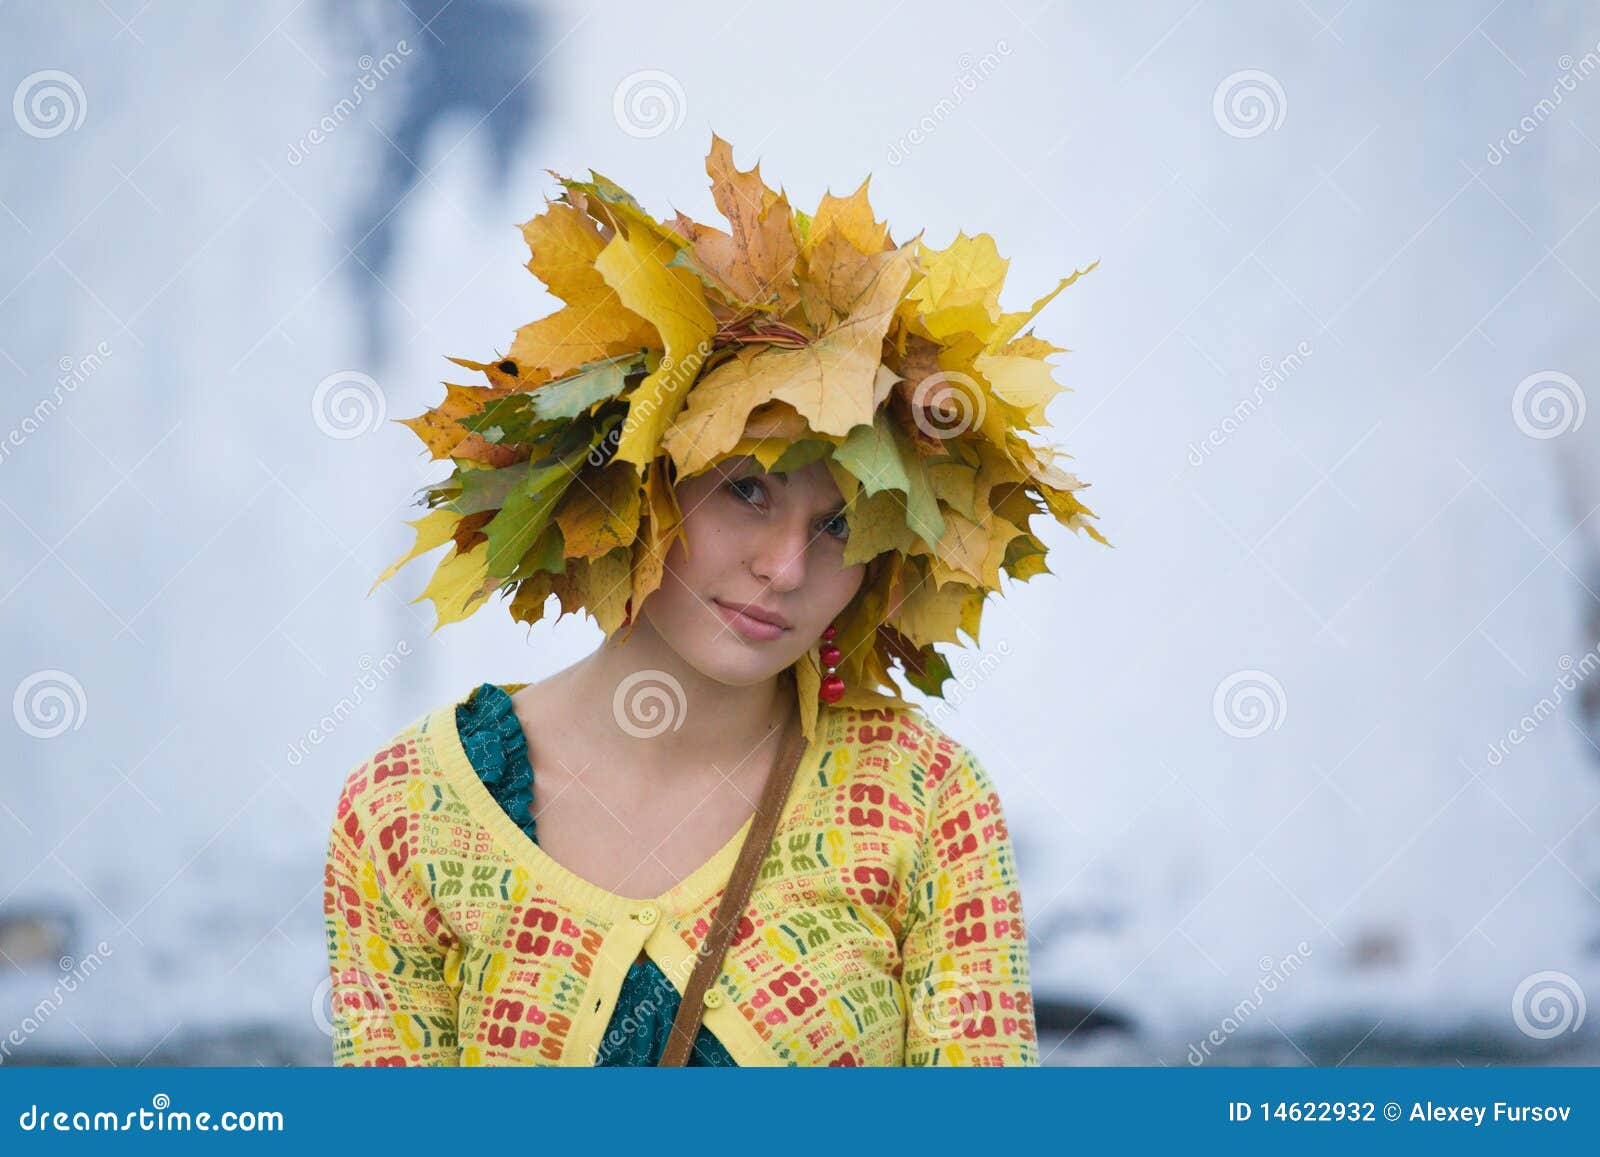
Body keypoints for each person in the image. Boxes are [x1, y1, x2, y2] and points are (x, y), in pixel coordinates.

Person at [322, 134, 1107, 1066]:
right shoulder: (412, 815)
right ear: (641, 478)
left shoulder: (921, 803)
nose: (785, 567)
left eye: (840, 523)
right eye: (747, 489)